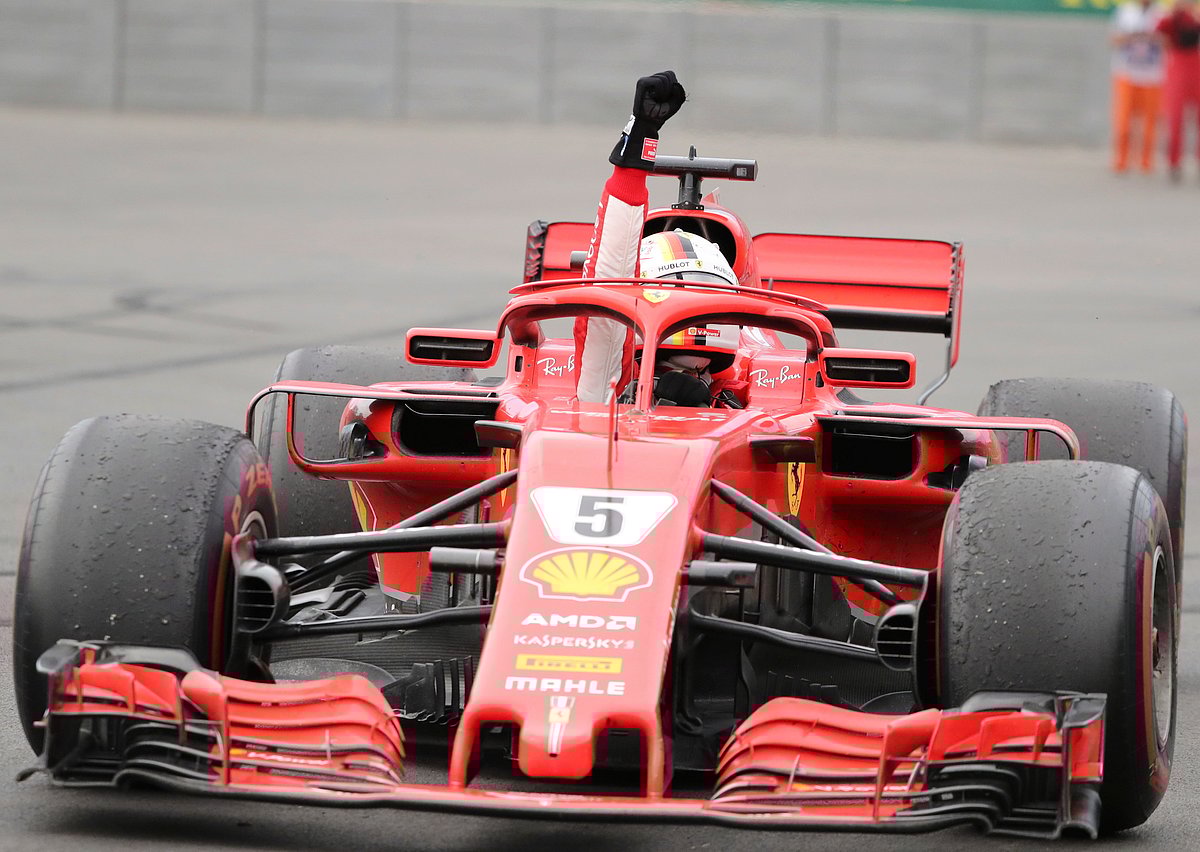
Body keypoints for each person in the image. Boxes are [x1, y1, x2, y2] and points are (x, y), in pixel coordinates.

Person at [573, 71, 740, 407]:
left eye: (705, 289)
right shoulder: (605, 397)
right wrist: (639, 143)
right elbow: (609, 279)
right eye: (681, 287)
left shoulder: (757, 395)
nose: (695, 311)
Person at [1111, 1, 1166, 174]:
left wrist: (1153, 37)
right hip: (1127, 73)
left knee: (1150, 121)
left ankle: (1146, 161)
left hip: (1153, 75)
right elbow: (1114, 39)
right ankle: (1122, 159)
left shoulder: (1161, 14)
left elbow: (1170, 42)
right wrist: (1133, 36)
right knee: (1123, 119)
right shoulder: (1126, 12)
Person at [1157, 0, 1200, 180]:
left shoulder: (1196, 16)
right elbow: (1161, 35)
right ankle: (1174, 162)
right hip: (1177, 64)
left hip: (1196, 64)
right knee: (1175, 118)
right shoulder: (1171, 17)